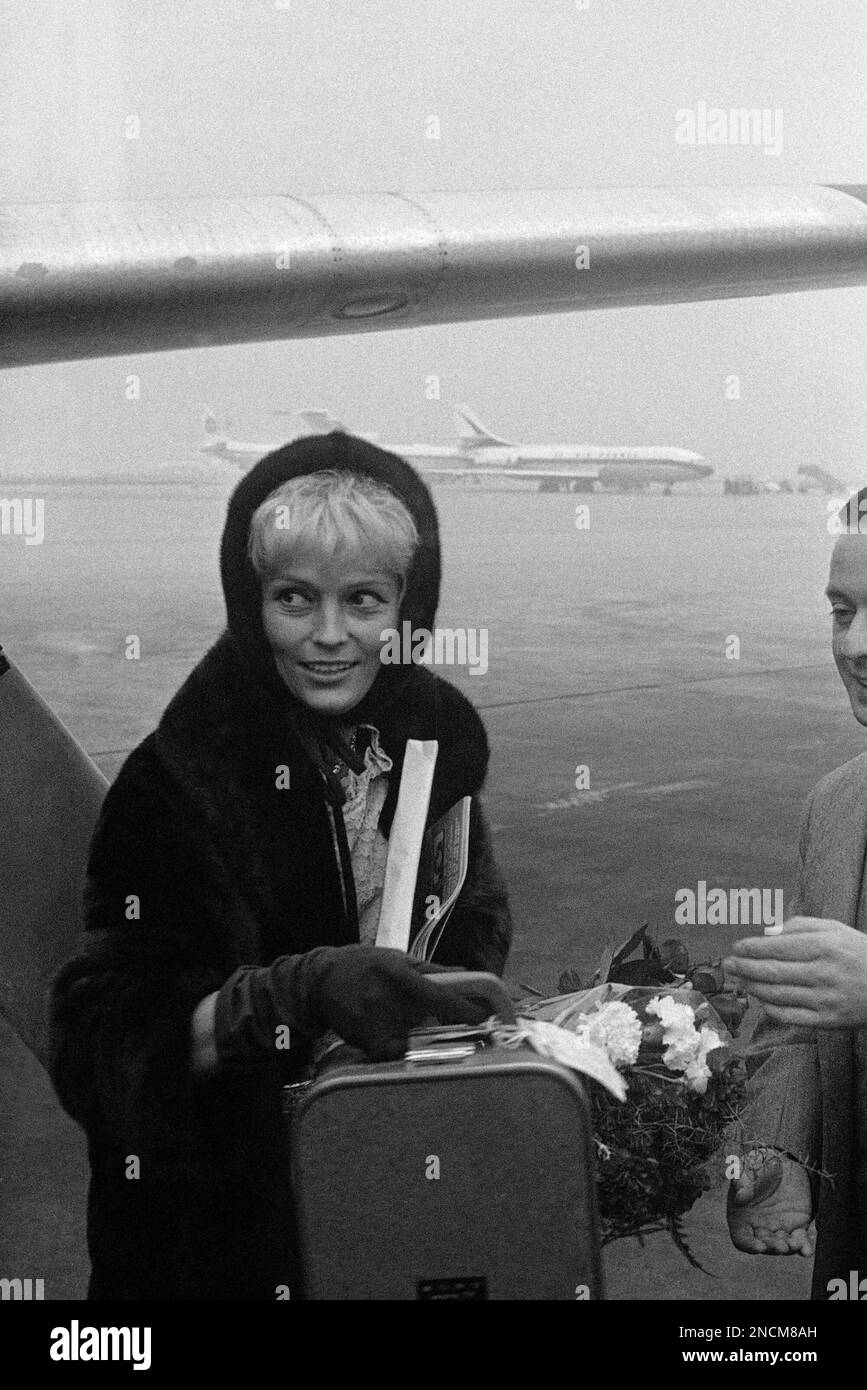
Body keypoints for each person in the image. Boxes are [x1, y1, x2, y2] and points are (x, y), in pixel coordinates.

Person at [49, 431, 512, 1301]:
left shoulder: (436, 759)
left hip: (388, 1214)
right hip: (216, 1249)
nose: (330, 637)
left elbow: (474, 938)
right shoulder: (176, 782)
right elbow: (96, 1048)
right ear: (247, 600)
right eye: (294, 599)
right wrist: (282, 998)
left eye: (363, 601)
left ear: (407, 611)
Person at [725, 491, 867, 1298]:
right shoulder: (835, 806)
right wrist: (771, 1154)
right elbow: (792, 1019)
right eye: (840, 611)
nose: (854, 645)